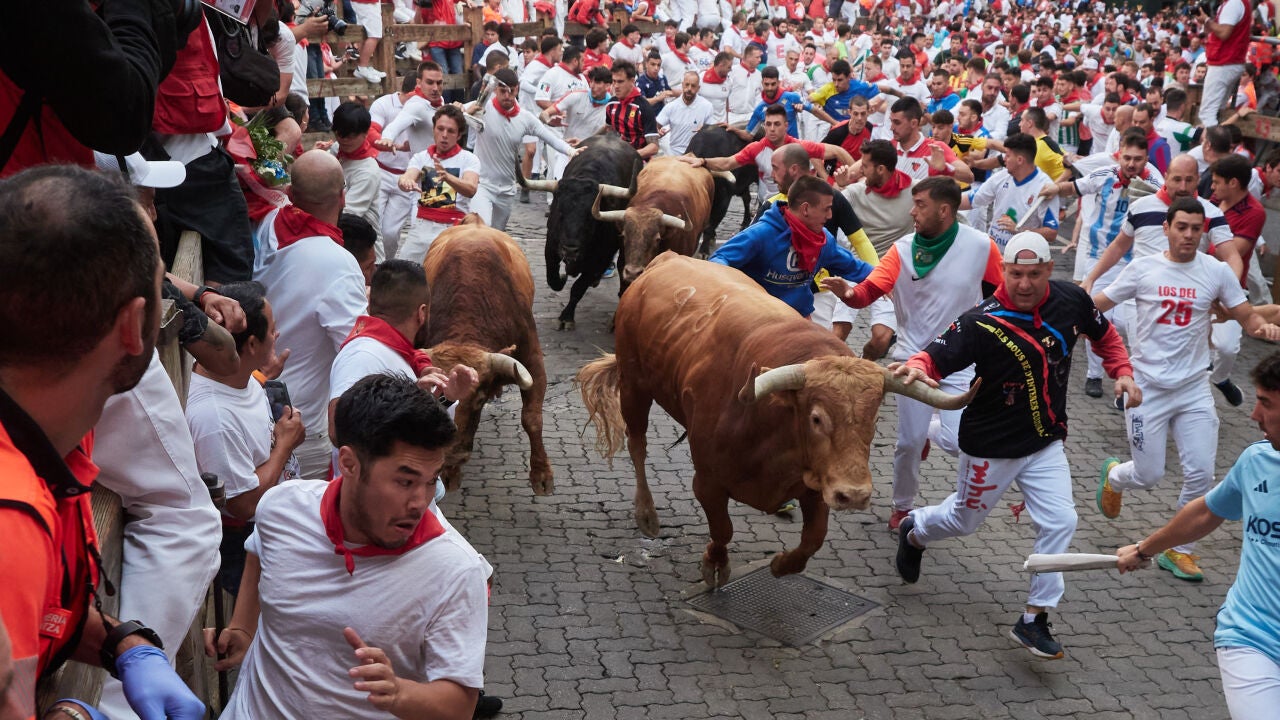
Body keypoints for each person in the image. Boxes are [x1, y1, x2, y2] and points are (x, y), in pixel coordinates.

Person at [0, 166, 204, 719]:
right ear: (135, 326)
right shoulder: (11, 523)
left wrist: (123, 643)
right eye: (163, 287)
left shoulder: (47, 429)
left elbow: (38, 607)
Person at [891, 231, 1140, 660]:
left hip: (1045, 443)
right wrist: (917, 366)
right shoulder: (980, 321)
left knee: (1061, 521)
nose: (1024, 284)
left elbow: (1106, 336)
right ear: (1003, 270)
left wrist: (1121, 370)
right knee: (964, 521)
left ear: (1049, 270)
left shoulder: (1073, 301)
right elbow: (933, 354)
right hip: (989, 446)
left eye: (1034, 275)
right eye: (1016, 274)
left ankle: (1034, 618)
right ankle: (915, 531)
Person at [209, 374, 490, 718]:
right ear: (348, 463)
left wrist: (400, 693)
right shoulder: (282, 507)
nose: (420, 501)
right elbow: (259, 552)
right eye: (404, 481)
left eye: (430, 481)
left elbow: (461, 705)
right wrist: (242, 628)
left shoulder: (456, 570)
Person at [1093, 198, 1280, 583]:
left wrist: (1264, 328)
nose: (1189, 235)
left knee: (1201, 475)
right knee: (1149, 475)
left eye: (1197, 229)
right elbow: (1098, 304)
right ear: (1167, 228)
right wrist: (1058, 316)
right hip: (1147, 389)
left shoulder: (1215, 272)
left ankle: (1179, 550)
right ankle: (1114, 477)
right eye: (1182, 227)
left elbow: (1246, 318)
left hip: (1194, 389)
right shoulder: (1143, 269)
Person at [824, 177, 1004, 529]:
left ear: (944, 210)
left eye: (920, 204)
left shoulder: (982, 246)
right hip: (911, 359)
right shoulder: (901, 250)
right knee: (907, 443)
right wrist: (848, 294)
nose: (912, 211)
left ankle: (931, 434)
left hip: (961, 358)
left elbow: (1001, 297)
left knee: (956, 443)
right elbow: (869, 292)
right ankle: (902, 507)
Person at [1115, 351, 1280, 718]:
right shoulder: (1258, 461)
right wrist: (1144, 549)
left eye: (1266, 404)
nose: (1253, 416)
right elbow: (1206, 511)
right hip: (1254, 638)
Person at [253, 151, 369, 479]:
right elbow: (356, 350)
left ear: (290, 194)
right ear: (343, 196)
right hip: (301, 425)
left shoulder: (267, 224)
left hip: (252, 406)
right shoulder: (337, 263)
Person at [1039, 128, 1163, 398]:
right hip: (1099, 256)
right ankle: (1094, 375)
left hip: (1134, 260)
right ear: (1119, 155)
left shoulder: (1155, 181)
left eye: (1138, 159)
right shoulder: (1104, 174)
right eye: (1127, 158)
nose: (1131, 164)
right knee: (1095, 317)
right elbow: (1074, 187)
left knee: (1132, 324)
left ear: (1146, 159)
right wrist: (1053, 188)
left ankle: (1131, 380)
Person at [709, 175, 872, 318]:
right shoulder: (762, 234)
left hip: (798, 320)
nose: (830, 216)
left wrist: (886, 280)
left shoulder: (823, 239)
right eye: (827, 209)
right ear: (806, 208)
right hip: (757, 320)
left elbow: (856, 268)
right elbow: (718, 260)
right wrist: (739, 291)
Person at [471, 68, 578, 230]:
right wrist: (461, 109)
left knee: (497, 236)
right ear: (495, 90)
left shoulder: (525, 118)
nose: (507, 96)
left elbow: (550, 137)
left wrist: (572, 152)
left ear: (517, 89)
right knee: (482, 231)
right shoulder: (480, 108)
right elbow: (450, 115)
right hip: (482, 185)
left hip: (507, 189)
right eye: (502, 91)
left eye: (511, 91)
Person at [682, 104, 853, 199]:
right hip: (768, 208)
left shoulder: (800, 147)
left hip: (797, 207)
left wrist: (856, 177)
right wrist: (704, 161)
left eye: (777, 124)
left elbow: (838, 151)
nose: (771, 129)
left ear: (786, 126)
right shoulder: (756, 148)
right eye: (768, 124)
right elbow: (728, 162)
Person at [1210, 153, 1268, 407]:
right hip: (1197, 283)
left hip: (1230, 287)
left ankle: (1220, 378)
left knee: (1227, 348)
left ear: (1233, 183)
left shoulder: (1254, 212)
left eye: (1217, 182)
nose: (1212, 187)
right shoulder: (1213, 200)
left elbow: (1234, 251)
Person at [397, 106, 481, 263]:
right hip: (422, 226)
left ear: (459, 135)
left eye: (450, 131)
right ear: (433, 129)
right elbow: (407, 177)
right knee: (402, 271)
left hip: (454, 229)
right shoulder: (421, 157)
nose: (444, 135)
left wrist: (448, 177)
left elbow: (471, 189)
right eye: (440, 129)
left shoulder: (469, 159)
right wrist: (406, 181)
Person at [961, 133, 1059, 249]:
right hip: (996, 254)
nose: (1004, 160)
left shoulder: (1044, 188)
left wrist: (1019, 230)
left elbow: (1051, 232)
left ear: (1019, 160)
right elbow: (971, 200)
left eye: (1007, 155)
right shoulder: (1001, 177)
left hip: (1021, 259)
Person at [325, 102, 384, 257]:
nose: (344, 140)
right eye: (339, 134)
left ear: (365, 133)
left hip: (362, 250)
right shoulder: (336, 150)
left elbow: (350, 213)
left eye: (351, 136)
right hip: (335, 239)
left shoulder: (368, 171)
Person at [887, 97, 974, 184]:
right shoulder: (889, 147)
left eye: (897, 123)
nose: (891, 128)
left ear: (913, 123)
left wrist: (945, 168)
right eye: (891, 122)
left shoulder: (935, 148)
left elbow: (969, 177)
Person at [1197, 0, 1252, 128]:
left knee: (1207, 114)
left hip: (1224, 63)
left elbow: (1224, 33)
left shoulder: (1234, 3)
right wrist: (1205, 21)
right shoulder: (1231, 3)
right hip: (1227, 62)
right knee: (1218, 111)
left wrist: (1206, 20)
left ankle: (1214, 146)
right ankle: (1217, 144)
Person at [605, 60, 661, 159]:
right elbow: (607, 128)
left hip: (638, 160)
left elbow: (654, 147)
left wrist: (628, 156)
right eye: (614, 81)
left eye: (620, 81)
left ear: (632, 81)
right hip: (615, 158)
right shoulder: (611, 103)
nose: (616, 86)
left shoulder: (644, 107)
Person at [656, 71, 715, 156]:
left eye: (693, 86)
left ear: (698, 88)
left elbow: (711, 130)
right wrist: (658, 132)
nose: (689, 88)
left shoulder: (707, 106)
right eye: (687, 85)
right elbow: (656, 126)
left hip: (696, 156)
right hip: (673, 155)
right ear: (682, 85)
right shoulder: (671, 106)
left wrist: (705, 129)